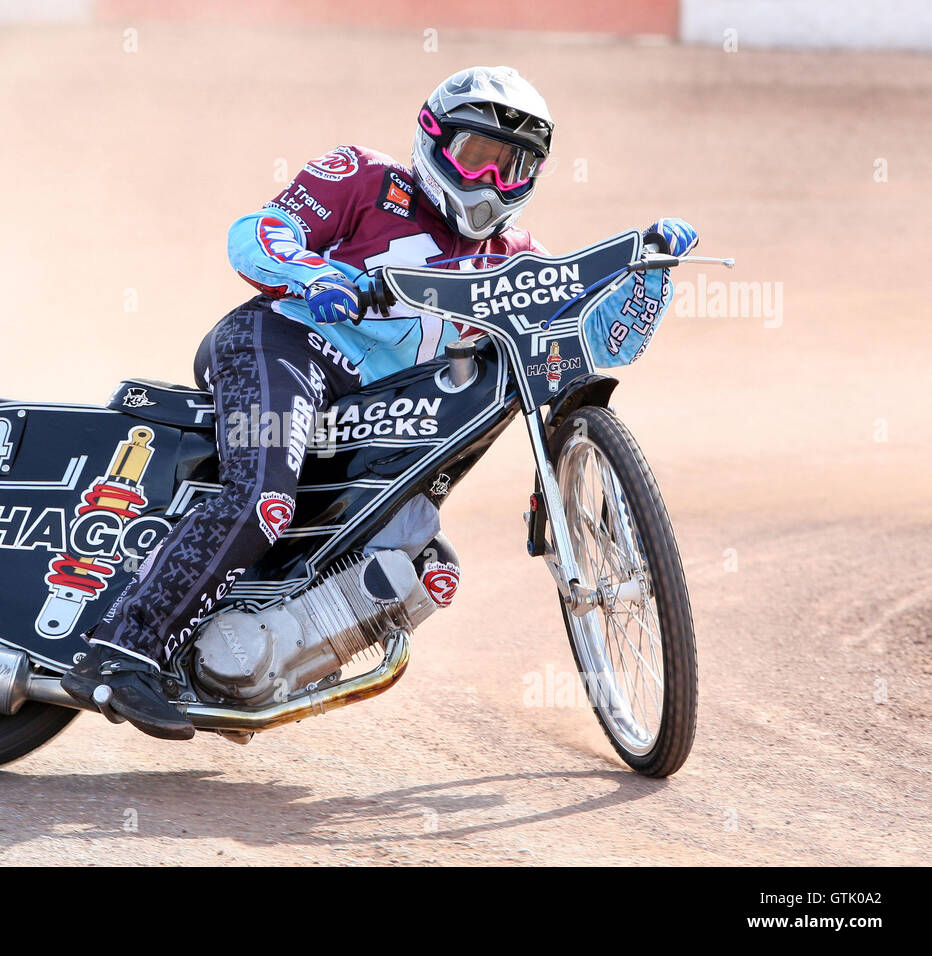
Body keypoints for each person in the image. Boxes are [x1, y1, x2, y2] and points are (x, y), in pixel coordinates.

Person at [61, 65, 698, 739]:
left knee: (425, 564)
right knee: (262, 497)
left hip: (370, 409)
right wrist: (313, 274)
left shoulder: (516, 259)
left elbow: (597, 343)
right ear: (433, 139)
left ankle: (247, 669)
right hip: (282, 345)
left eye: (513, 167)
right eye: (475, 155)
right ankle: (118, 652)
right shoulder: (366, 177)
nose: (489, 181)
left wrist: (650, 277)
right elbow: (256, 232)